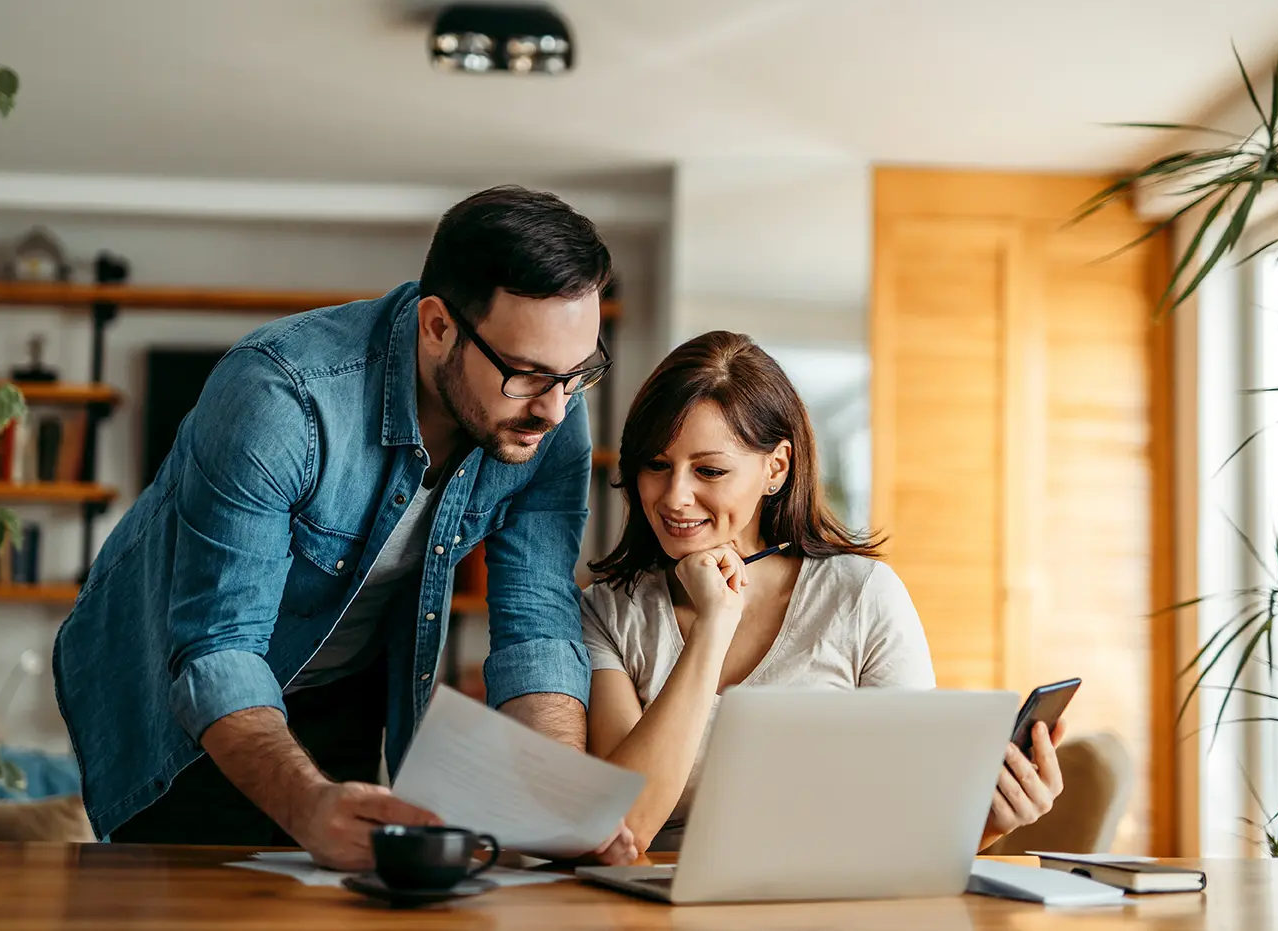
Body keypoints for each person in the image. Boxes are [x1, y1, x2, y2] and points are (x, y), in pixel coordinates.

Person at [54, 185, 636, 868]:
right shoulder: (279, 398)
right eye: (528, 374)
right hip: (184, 698)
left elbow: (537, 619)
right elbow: (219, 645)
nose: (555, 409)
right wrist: (303, 802)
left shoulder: (552, 407)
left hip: (344, 687)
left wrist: (557, 799)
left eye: (577, 374)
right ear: (438, 327)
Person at [581, 331, 1064, 852]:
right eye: (656, 465)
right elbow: (625, 828)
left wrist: (991, 823)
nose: (675, 497)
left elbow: (913, 821)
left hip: (825, 889)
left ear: (776, 468)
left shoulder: (862, 598)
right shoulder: (607, 612)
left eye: (709, 470)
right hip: (652, 893)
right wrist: (714, 627)